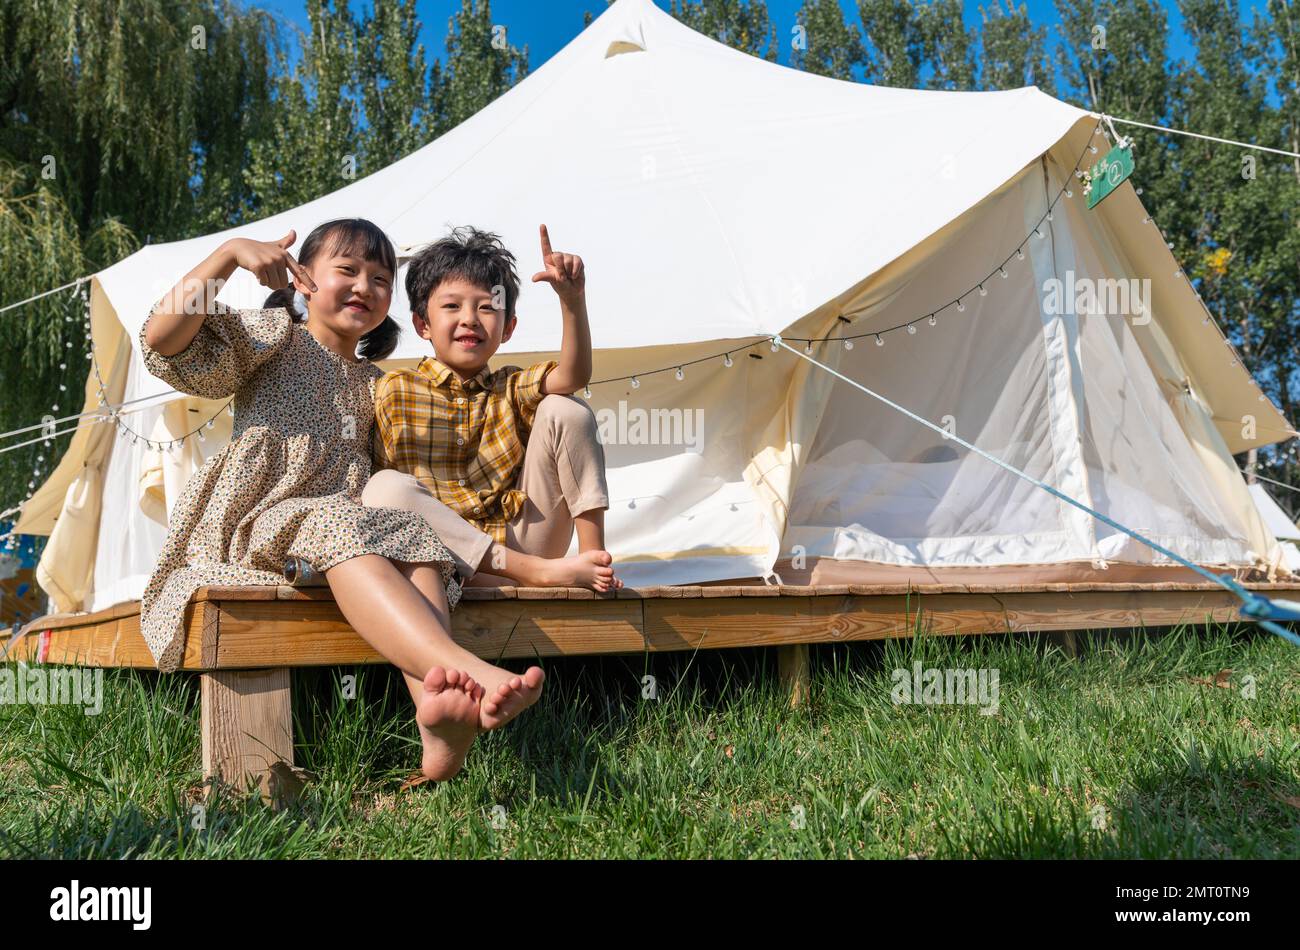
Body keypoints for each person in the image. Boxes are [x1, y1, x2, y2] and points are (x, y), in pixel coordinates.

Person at [140, 218, 536, 782]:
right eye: (347, 270)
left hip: (341, 536)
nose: (365, 286)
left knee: (413, 539)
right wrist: (228, 256)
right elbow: (163, 338)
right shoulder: (274, 338)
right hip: (262, 520)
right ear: (303, 278)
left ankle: (439, 728)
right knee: (342, 523)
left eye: (380, 278)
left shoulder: (380, 384)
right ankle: (462, 669)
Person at [365, 224, 623, 597]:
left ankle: (593, 561)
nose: (470, 318)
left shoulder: (510, 386)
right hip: (440, 560)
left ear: (508, 329)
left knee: (566, 409)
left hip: (522, 545)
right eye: (452, 306)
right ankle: (540, 573)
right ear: (422, 324)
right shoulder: (393, 388)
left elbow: (574, 375)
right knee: (384, 488)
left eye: (487, 307)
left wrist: (572, 300)